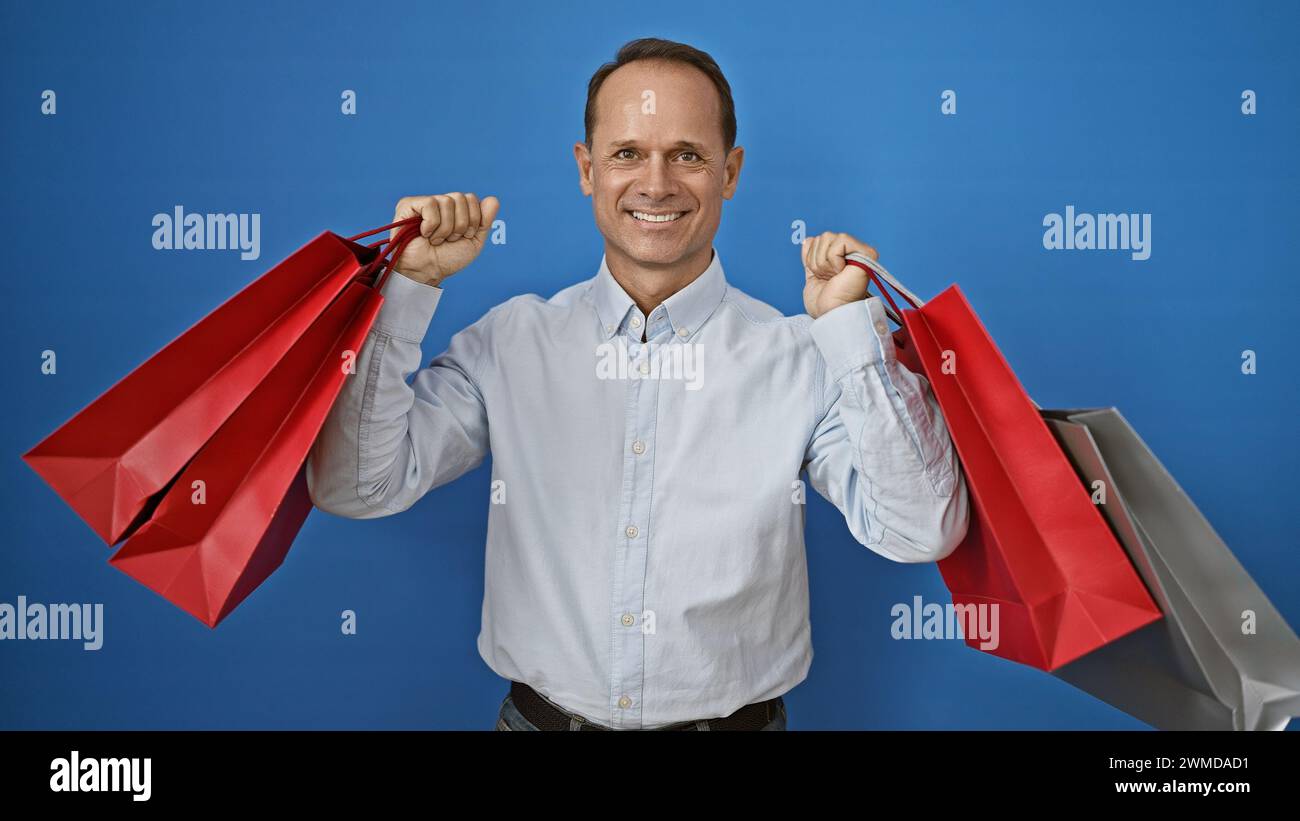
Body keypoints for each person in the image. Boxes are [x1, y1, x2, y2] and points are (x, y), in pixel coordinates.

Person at [306, 37, 969, 731]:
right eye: (627, 154)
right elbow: (355, 485)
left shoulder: (800, 355)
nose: (656, 184)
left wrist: (848, 333)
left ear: (730, 172)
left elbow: (921, 529)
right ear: (586, 169)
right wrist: (409, 286)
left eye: (687, 154)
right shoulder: (511, 342)